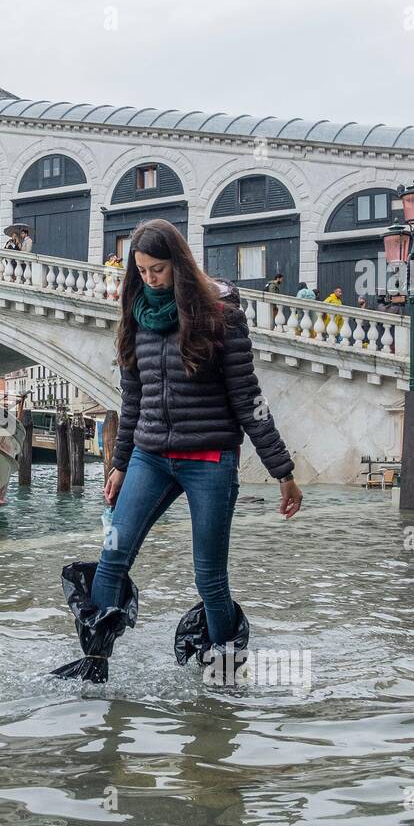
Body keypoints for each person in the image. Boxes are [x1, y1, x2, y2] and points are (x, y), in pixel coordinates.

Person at [96, 219, 302, 660]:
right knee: (111, 556)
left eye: (158, 270)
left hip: (209, 459)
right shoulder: (135, 315)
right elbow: (132, 400)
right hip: (149, 457)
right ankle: (94, 664)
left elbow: (248, 399)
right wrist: (118, 464)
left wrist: (282, 471)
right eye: (142, 271)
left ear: (179, 265)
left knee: (208, 577)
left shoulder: (220, 315)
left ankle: (225, 667)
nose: (150, 279)